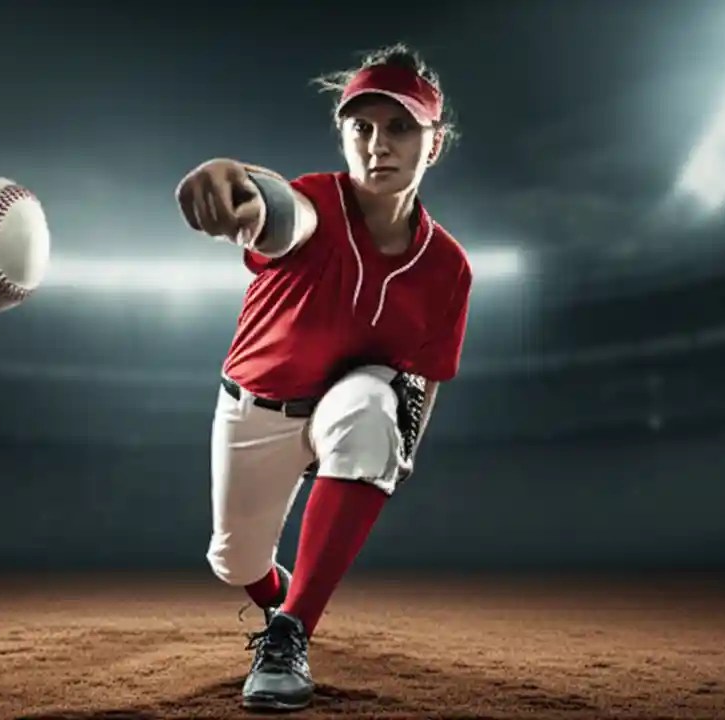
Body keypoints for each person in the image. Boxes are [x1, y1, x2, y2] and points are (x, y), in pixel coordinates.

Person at [174, 42, 473, 712]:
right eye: (360, 127)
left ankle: (290, 630)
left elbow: (426, 375)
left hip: (346, 406)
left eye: (400, 127)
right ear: (341, 134)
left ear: (436, 141)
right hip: (257, 409)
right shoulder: (314, 201)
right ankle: (277, 590)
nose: (378, 144)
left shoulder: (448, 268)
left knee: (375, 407)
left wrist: (398, 454)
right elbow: (276, 216)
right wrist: (239, 183)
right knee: (235, 562)